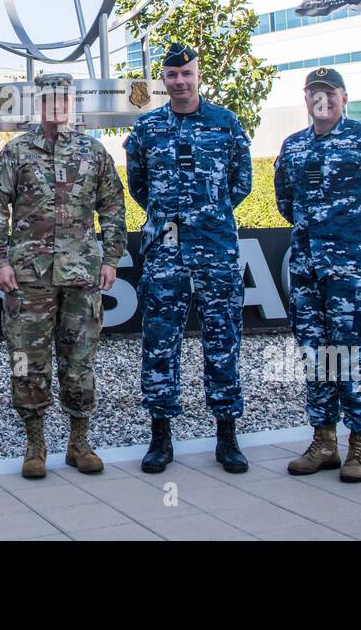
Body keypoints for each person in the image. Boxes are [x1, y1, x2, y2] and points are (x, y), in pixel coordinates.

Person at [0, 73, 126, 479]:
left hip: (82, 276)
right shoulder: (17, 152)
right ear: (38, 103)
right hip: (28, 278)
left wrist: (111, 258)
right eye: (48, 98)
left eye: (63, 98)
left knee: (80, 360)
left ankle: (79, 442)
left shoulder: (93, 153)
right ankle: (35, 444)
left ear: (71, 102)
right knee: (28, 360)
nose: (56, 105)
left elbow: (112, 206)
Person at [274, 67, 361, 483]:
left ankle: (359, 444)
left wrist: (359, 235)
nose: (323, 101)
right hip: (307, 271)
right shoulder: (293, 147)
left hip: (353, 274)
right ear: (306, 99)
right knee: (315, 356)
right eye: (315, 94)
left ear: (344, 98)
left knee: (353, 355)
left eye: (330, 94)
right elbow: (284, 200)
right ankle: (323, 442)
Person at [124, 43, 251, 475]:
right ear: (163, 79)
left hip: (216, 250)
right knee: (160, 341)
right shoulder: (147, 129)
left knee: (223, 340)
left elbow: (242, 182)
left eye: (187, 74)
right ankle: (161, 436)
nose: (180, 81)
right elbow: (138, 186)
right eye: (172, 75)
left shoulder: (225, 123)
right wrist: (171, 218)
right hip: (165, 252)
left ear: (198, 75)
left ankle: (227, 436)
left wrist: (207, 216)